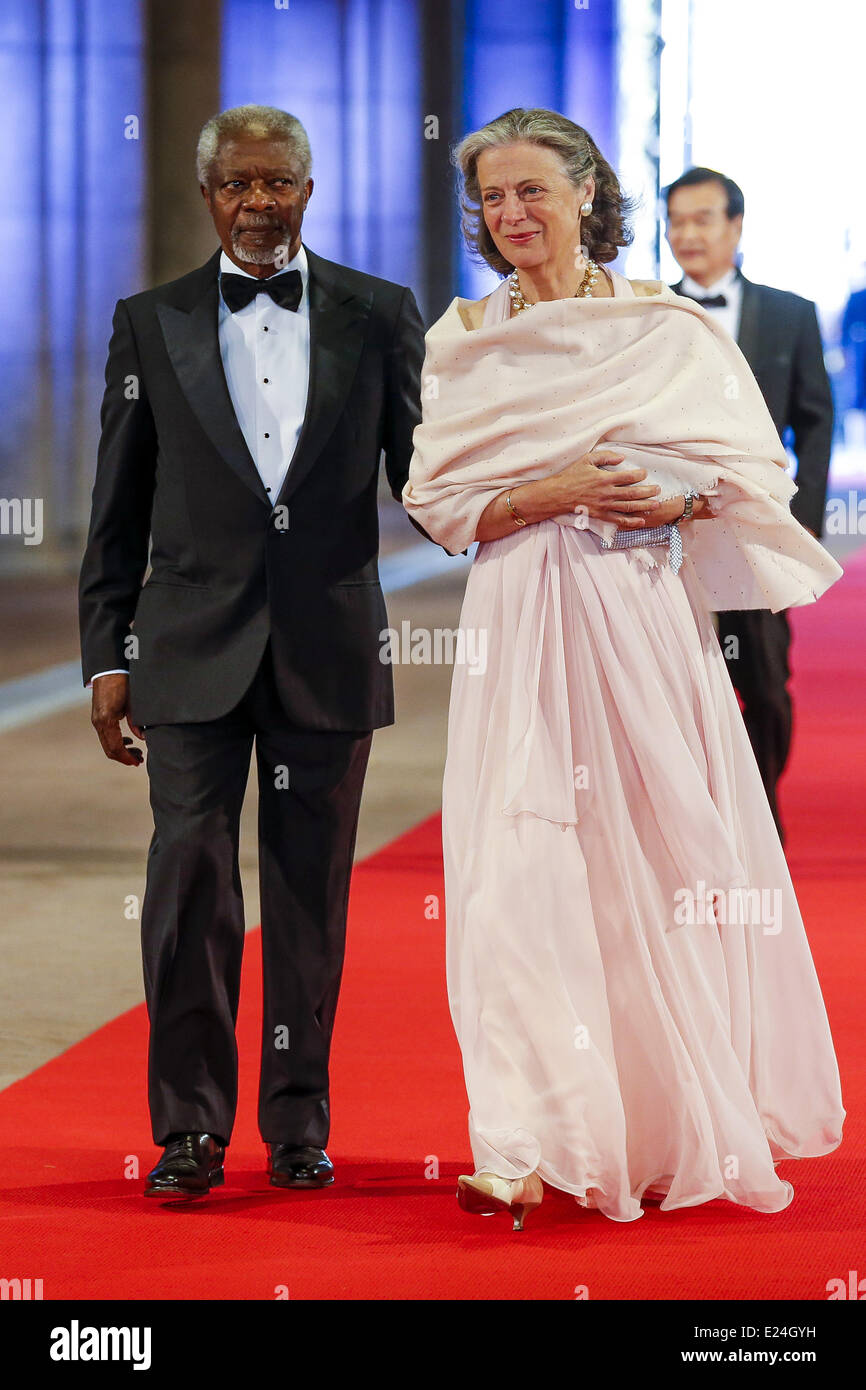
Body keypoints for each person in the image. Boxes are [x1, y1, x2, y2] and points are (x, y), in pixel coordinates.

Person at [403, 108, 845, 1230]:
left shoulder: (665, 328)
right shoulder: (461, 337)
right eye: (492, 198)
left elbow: (750, 484)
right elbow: (443, 508)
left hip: (638, 617)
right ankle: (517, 1140)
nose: (510, 216)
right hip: (517, 620)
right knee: (513, 868)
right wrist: (553, 491)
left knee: (649, 863)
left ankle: (655, 1121)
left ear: (587, 196)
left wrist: (676, 497)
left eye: (531, 193)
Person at [79, 104, 427, 1200]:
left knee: (308, 893)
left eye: (278, 183)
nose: (259, 203)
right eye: (238, 185)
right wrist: (105, 656)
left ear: (308, 192)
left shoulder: (379, 314)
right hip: (184, 649)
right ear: (208, 196)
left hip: (323, 647)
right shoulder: (152, 319)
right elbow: (115, 506)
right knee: (188, 880)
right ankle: (187, 1127)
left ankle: (297, 1125)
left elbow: (429, 480)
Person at [665, 167, 834, 841]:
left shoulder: (791, 315)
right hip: (669, 530)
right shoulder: (650, 310)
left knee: (763, 687)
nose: (688, 235)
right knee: (674, 683)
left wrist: (802, 520)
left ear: (736, 226)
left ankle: (760, 819)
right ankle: (693, 827)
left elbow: (816, 421)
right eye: (676, 222)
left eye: (703, 220)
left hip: (753, 530)